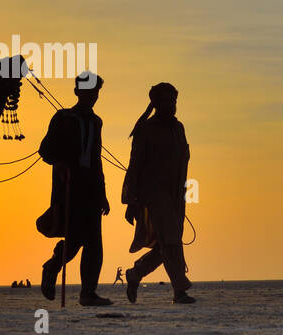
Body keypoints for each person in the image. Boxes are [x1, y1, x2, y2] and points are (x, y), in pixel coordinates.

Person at [35, 72, 111, 307]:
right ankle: (52, 266)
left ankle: (88, 292)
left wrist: (103, 194)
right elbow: (45, 151)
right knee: (76, 238)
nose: (93, 96)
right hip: (69, 186)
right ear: (78, 92)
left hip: (90, 186)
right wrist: (61, 163)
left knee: (94, 243)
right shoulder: (63, 118)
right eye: (88, 91)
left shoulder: (96, 122)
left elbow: (96, 159)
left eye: (96, 92)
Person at [121, 83, 194, 304]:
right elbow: (134, 166)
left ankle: (135, 274)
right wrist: (132, 202)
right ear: (156, 103)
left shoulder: (178, 127)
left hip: (177, 194)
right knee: (171, 241)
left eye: (173, 101)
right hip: (154, 194)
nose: (171, 105)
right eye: (166, 101)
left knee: (167, 243)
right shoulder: (146, 129)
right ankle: (180, 290)